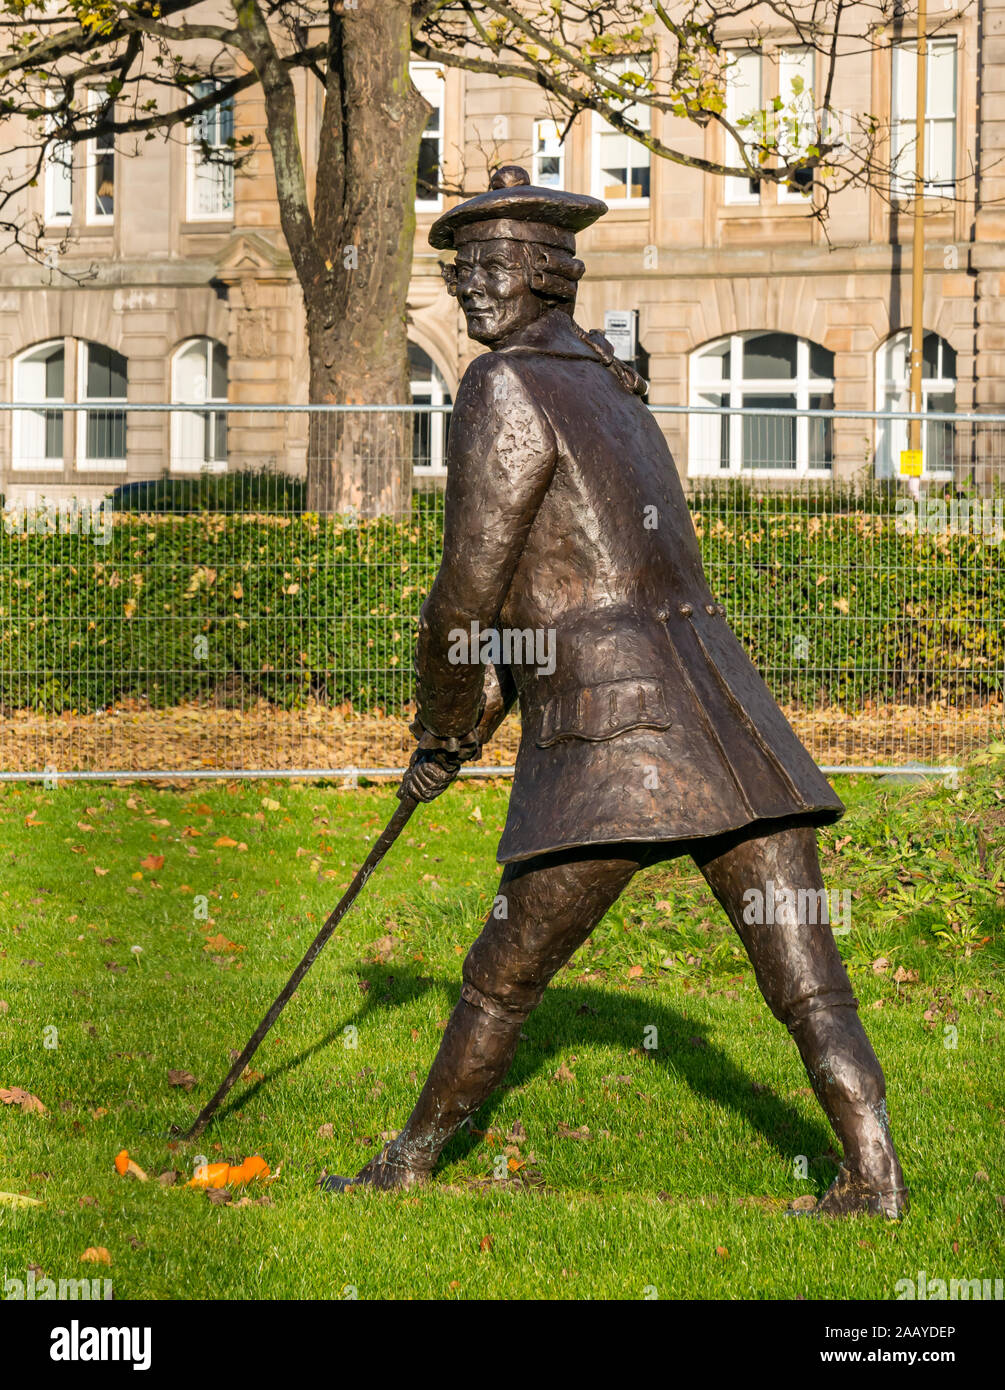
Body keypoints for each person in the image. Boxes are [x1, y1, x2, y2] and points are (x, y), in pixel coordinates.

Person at [325, 167, 907, 1217]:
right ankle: (873, 1173)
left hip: (614, 737)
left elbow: (467, 591)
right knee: (806, 974)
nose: (469, 287)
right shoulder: (609, 378)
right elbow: (573, 575)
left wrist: (443, 728)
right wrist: (488, 698)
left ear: (548, 274)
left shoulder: (502, 386)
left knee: (501, 975)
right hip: (727, 716)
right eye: (459, 271)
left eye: (491, 265)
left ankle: (408, 1161)